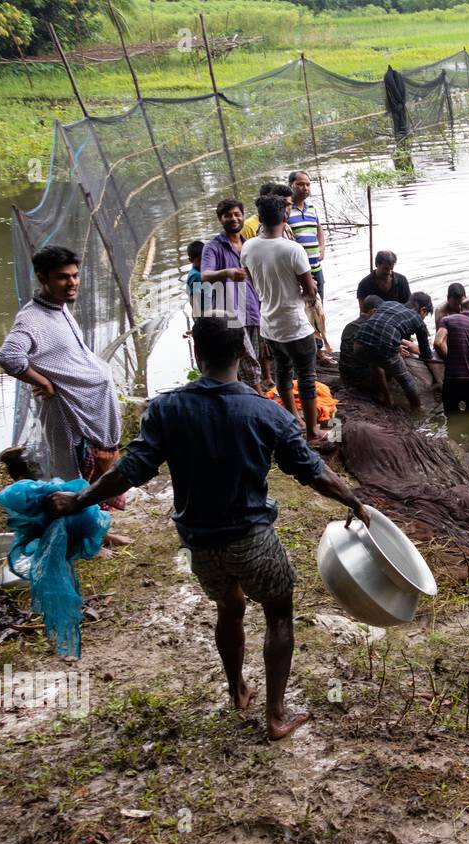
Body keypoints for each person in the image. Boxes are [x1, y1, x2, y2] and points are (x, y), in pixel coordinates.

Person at [44, 316, 368, 740]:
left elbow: (130, 470)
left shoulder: (165, 408)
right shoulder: (266, 412)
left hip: (198, 540)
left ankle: (237, 690)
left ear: (197, 354)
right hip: (251, 538)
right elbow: (312, 471)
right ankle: (275, 716)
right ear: (241, 354)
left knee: (229, 607)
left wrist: (78, 499)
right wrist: (353, 500)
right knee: (278, 614)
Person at [0, 246, 129, 542]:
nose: (72, 283)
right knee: (71, 476)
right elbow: (9, 356)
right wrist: (41, 381)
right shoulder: (31, 319)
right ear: (42, 278)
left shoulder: (58, 308)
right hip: (67, 413)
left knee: (96, 474)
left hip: (88, 409)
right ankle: (80, 539)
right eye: (62, 277)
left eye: (75, 276)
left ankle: (99, 531)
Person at [241, 194, 326, 444]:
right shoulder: (293, 249)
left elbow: (251, 280)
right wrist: (307, 296)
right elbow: (309, 291)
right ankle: (312, 432)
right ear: (284, 217)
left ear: (260, 219)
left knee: (283, 372)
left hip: (268, 323)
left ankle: (292, 421)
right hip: (295, 325)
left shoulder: (248, 247)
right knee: (307, 377)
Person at [200, 198, 266, 391]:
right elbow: (205, 275)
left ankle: (240, 395)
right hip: (229, 313)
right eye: (228, 215)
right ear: (221, 219)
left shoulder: (249, 245)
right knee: (247, 360)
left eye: (237, 214)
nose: (234, 218)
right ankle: (260, 401)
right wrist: (227, 272)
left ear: (243, 217)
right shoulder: (213, 246)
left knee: (255, 354)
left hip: (253, 308)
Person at [353, 293, 434, 411]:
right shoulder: (418, 320)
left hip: (358, 343)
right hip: (382, 347)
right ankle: (417, 409)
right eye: (425, 315)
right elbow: (426, 353)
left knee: (375, 364)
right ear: (423, 310)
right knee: (405, 379)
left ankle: (388, 399)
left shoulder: (389, 304)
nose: (424, 317)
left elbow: (379, 325)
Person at [287, 171, 326, 301]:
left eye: (308, 184)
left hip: (316, 267)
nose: (305, 188)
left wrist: (322, 246)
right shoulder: (285, 210)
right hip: (298, 272)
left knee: (320, 310)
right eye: (300, 184)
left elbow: (318, 227)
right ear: (291, 185)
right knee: (304, 311)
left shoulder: (312, 208)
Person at [337, 296, 381, 393]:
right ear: (374, 311)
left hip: (344, 374)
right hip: (361, 379)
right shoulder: (372, 329)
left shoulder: (349, 326)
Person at [185, 239, 205, 317]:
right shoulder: (196, 276)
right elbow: (194, 300)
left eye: (205, 258)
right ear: (190, 260)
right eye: (199, 260)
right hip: (204, 314)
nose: (203, 262)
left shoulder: (199, 271)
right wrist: (199, 320)